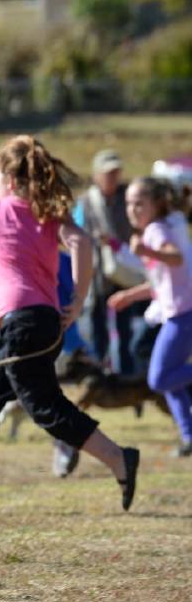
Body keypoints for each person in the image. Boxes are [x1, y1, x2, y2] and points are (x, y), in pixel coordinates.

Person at [0, 135, 140, 515]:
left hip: (19, 324)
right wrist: (77, 301)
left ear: (9, 181)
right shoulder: (47, 214)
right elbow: (81, 244)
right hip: (42, 321)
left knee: (44, 406)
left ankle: (118, 458)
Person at [108, 177, 192, 458]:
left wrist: (146, 250)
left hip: (184, 315)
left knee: (159, 379)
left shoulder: (156, 230)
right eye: (129, 203)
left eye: (139, 203)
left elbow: (175, 258)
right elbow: (162, 281)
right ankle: (188, 435)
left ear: (157, 204)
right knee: (172, 380)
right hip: (178, 312)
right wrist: (130, 295)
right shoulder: (161, 227)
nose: (132, 209)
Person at [77, 149, 150, 375]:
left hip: (126, 270)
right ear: (97, 174)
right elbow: (77, 232)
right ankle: (101, 371)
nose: (112, 177)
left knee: (125, 325)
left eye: (115, 172)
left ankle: (127, 375)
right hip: (98, 273)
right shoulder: (87, 201)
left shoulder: (128, 197)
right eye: (108, 173)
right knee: (98, 324)